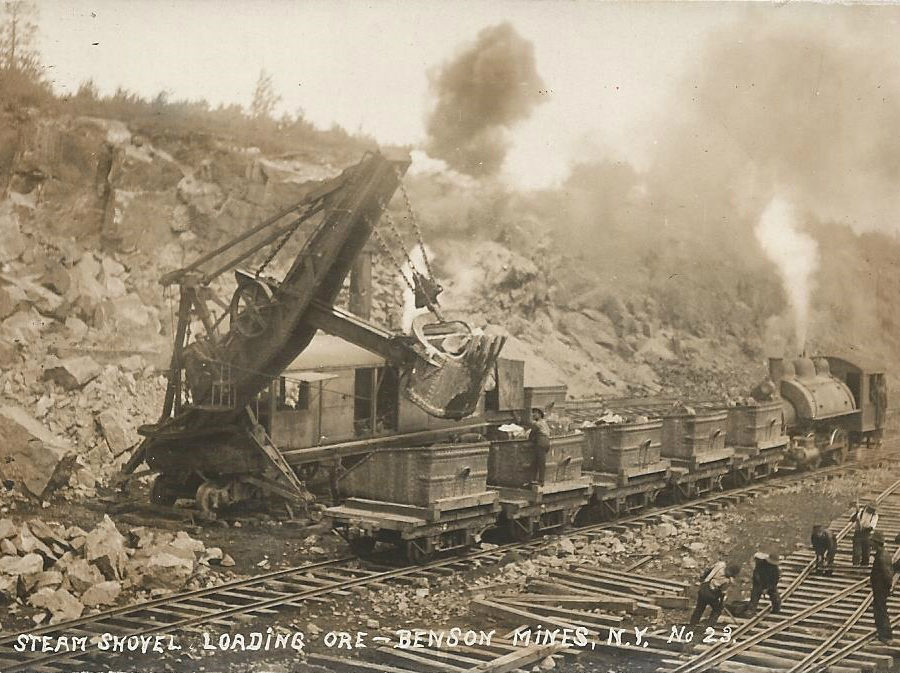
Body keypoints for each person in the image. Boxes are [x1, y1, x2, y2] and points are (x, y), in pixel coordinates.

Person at [690, 561, 741, 626]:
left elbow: (708, 570)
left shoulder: (720, 565)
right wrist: (721, 603)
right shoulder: (728, 581)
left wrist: (702, 579)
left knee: (699, 608)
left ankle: (692, 624)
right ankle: (709, 626)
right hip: (711, 594)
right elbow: (723, 592)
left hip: (704, 589)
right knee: (717, 610)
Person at [870, 531, 894, 644]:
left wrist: (888, 588)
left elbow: (887, 574)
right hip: (879, 588)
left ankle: (886, 636)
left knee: (881, 611)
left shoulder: (882, 556)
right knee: (879, 610)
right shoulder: (881, 554)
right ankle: (883, 634)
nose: (871, 544)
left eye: (872, 541)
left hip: (881, 589)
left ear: (876, 542)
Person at [529, 408, 551, 486]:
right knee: (536, 461)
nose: (533, 415)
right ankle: (534, 479)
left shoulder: (538, 423)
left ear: (539, 414)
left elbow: (532, 433)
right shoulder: (544, 422)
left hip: (541, 443)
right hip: (546, 442)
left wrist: (530, 440)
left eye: (535, 413)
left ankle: (541, 481)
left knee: (540, 462)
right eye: (533, 413)